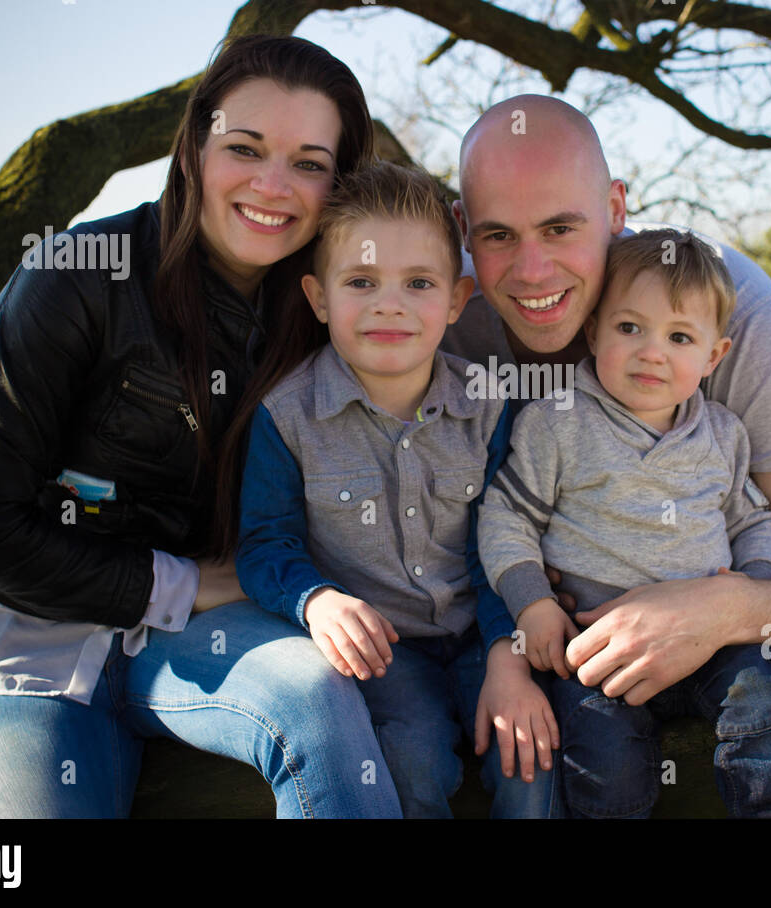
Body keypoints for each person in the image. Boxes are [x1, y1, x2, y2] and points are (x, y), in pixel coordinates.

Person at [0, 34, 405, 818]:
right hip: (25, 657)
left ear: (340, 185)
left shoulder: (333, 309)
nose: (273, 184)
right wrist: (184, 581)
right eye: (244, 147)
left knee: (319, 698)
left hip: (206, 639)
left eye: (311, 164)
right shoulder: (74, 275)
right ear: (193, 148)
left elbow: (471, 300)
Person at [440, 95, 771, 719]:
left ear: (616, 207)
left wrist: (724, 611)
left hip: (716, 690)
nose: (533, 271)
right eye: (498, 235)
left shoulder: (730, 311)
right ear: (463, 229)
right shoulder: (426, 308)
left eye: (561, 228)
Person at [235, 161, 560, 818]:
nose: (390, 303)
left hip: (483, 631)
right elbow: (264, 541)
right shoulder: (286, 416)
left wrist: (509, 655)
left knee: (532, 759)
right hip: (384, 649)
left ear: (456, 299)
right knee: (409, 765)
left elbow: (505, 539)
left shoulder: (491, 405)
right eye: (361, 282)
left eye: (418, 283)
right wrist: (316, 600)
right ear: (319, 297)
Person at [478, 229, 771, 817]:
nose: (651, 351)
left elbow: (753, 520)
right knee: (605, 770)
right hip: (594, 647)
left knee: (766, 703)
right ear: (594, 331)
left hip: (713, 639)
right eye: (629, 328)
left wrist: (750, 587)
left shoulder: (723, 435)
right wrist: (532, 604)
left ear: (714, 357)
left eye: (679, 337)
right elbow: (506, 517)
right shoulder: (558, 422)